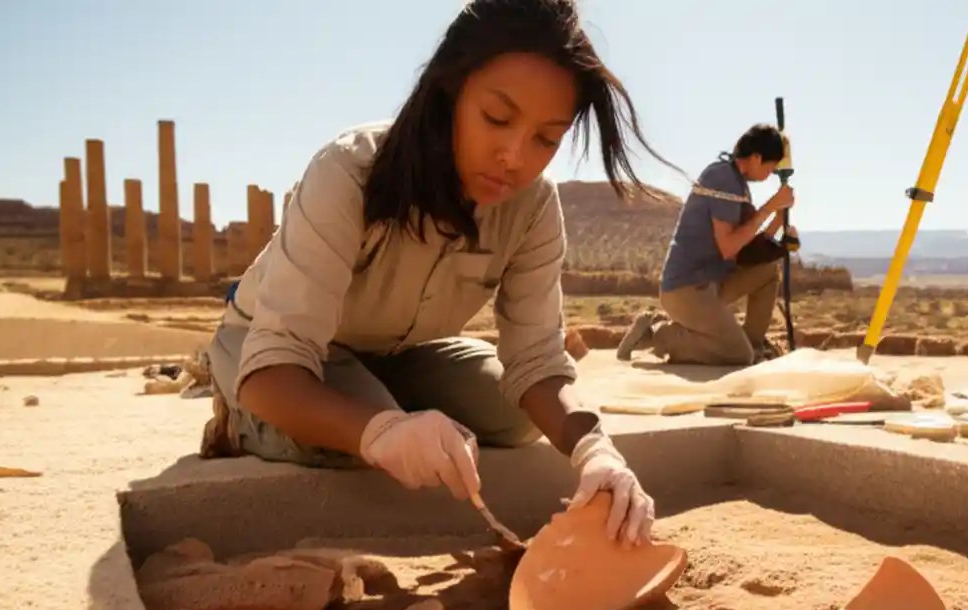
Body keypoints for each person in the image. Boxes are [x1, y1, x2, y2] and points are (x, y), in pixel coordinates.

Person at [199, 0, 676, 547]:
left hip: (402, 354)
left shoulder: (534, 208)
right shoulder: (349, 171)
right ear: (449, 91)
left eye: (546, 138)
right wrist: (382, 431)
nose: (514, 156)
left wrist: (598, 452)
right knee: (362, 432)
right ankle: (238, 420)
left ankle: (377, 399)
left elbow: (538, 361)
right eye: (497, 118)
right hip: (278, 352)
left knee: (519, 416)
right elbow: (275, 365)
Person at [616, 124, 798, 366]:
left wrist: (777, 219)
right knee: (737, 355)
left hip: (710, 282)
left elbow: (747, 247)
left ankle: (750, 346)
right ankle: (658, 334)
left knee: (766, 273)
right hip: (687, 289)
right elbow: (729, 247)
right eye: (770, 167)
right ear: (756, 158)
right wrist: (769, 208)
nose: (770, 174)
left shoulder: (737, 183)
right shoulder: (722, 179)